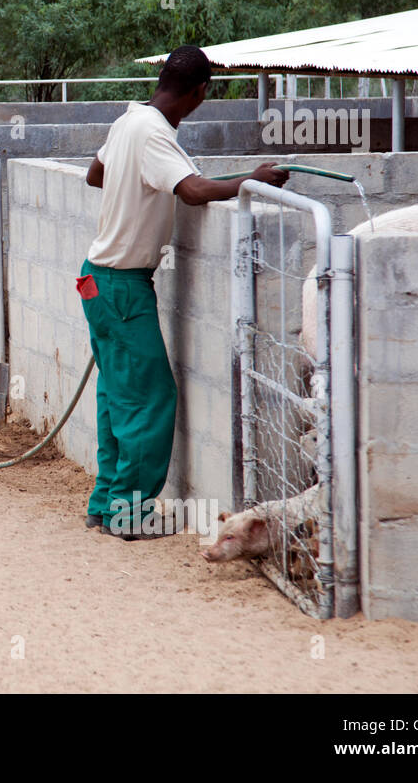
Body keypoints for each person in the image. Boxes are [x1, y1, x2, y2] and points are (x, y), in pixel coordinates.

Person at [81, 45, 288, 540]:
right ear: (200, 93)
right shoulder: (154, 134)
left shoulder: (130, 121)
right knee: (151, 399)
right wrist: (250, 182)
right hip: (123, 284)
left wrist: (133, 186)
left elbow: (95, 174)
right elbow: (192, 191)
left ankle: (104, 505)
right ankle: (128, 516)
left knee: (117, 395)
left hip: (96, 277)